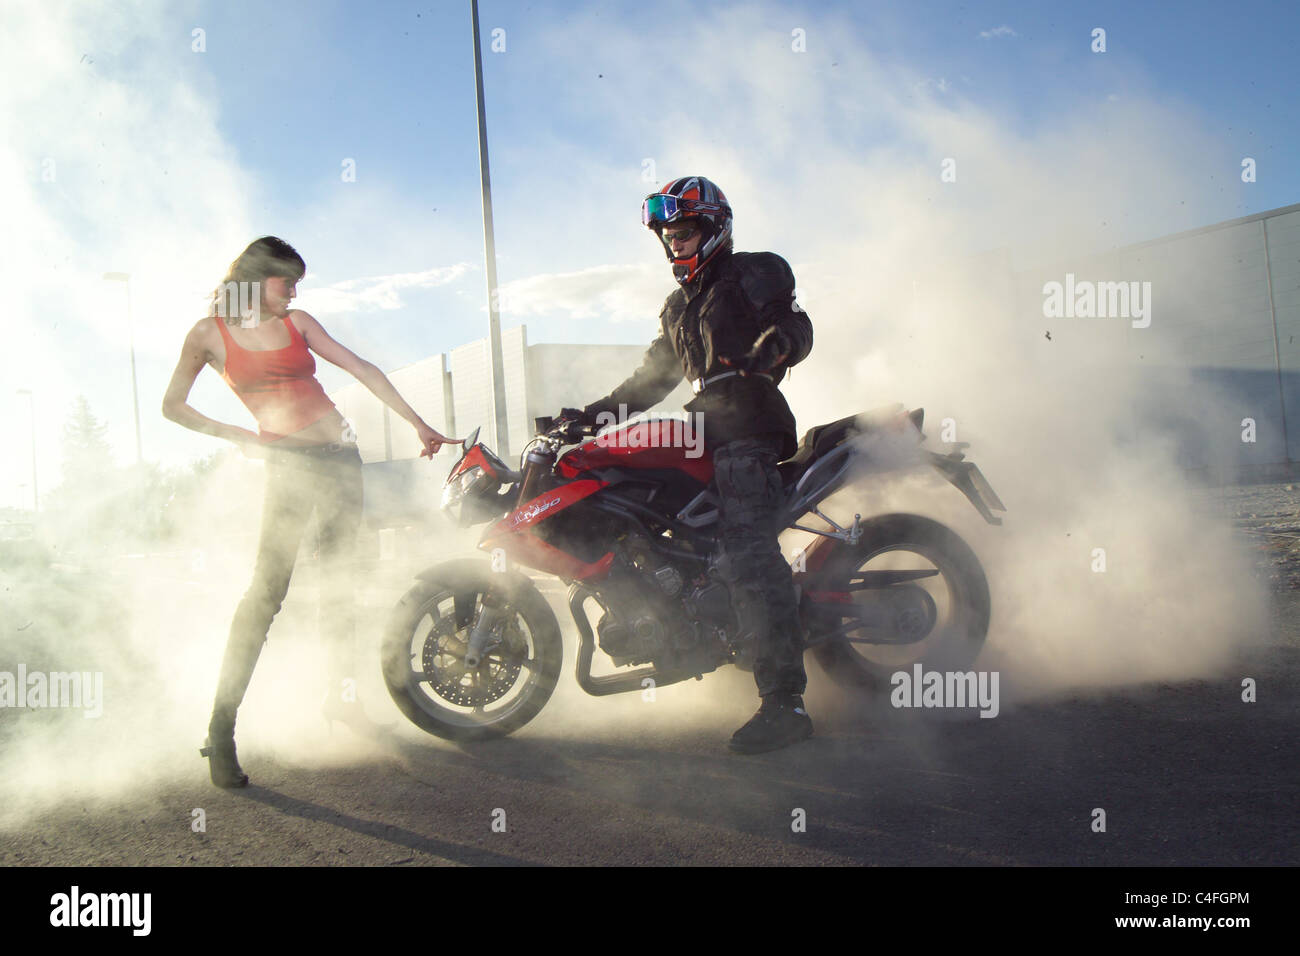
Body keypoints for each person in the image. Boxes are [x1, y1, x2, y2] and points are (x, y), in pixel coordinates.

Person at [162, 236, 459, 788]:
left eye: (297, 283)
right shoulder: (209, 334)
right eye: (286, 282)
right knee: (265, 595)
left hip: (342, 462)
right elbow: (172, 405)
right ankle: (220, 732)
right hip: (288, 467)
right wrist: (237, 435)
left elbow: (362, 368)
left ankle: (339, 697)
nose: (294, 292)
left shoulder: (299, 322)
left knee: (340, 585)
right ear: (256, 278)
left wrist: (417, 422)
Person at [560, 177, 815, 754]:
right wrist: (586, 419)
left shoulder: (753, 272)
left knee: (749, 549)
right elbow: (650, 381)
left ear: (714, 226)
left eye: (686, 232)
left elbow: (795, 325)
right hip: (702, 430)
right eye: (669, 236)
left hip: (748, 426)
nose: (677, 244)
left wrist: (777, 345)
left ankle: (786, 703)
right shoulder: (678, 305)